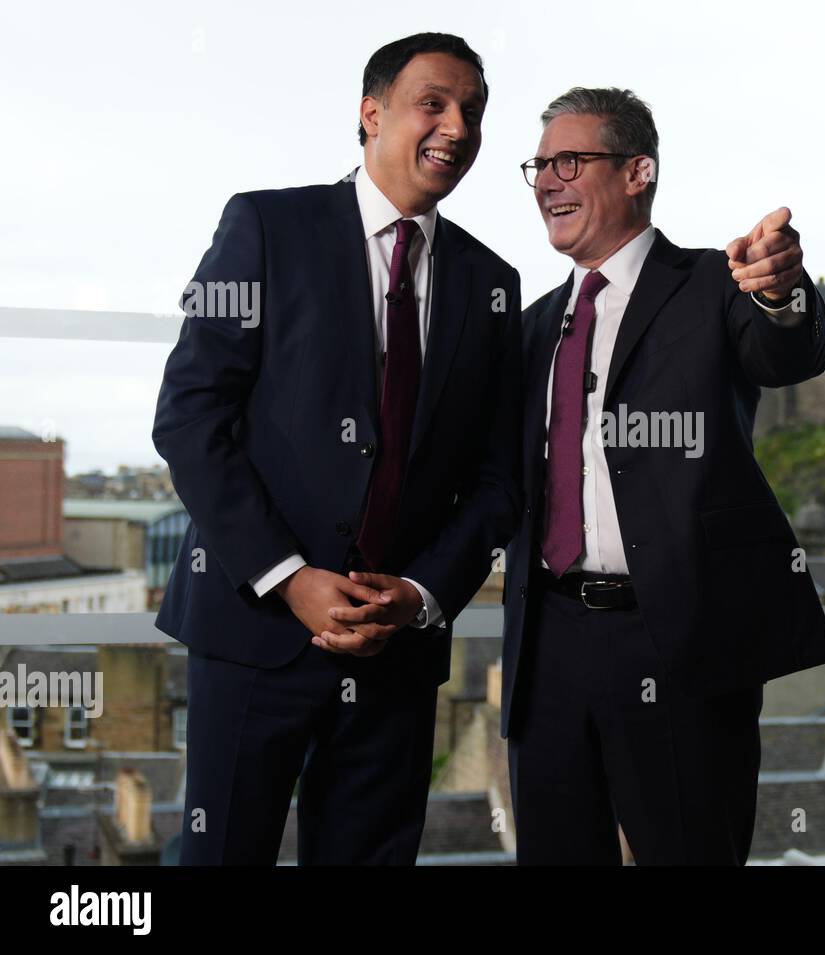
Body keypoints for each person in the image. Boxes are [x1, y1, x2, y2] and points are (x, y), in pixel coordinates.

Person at [152, 32, 521, 864]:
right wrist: (289, 578)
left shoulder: (492, 282)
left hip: (398, 655)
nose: (457, 126)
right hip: (255, 634)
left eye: (474, 112)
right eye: (434, 103)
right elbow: (188, 417)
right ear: (371, 112)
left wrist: (423, 592)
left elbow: (499, 480)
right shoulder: (264, 226)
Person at [502, 87, 825, 865]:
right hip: (545, 646)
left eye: (571, 160)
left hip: (676, 640)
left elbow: (785, 351)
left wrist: (780, 291)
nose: (549, 179)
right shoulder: (529, 327)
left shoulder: (715, 285)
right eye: (540, 164)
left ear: (637, 173)